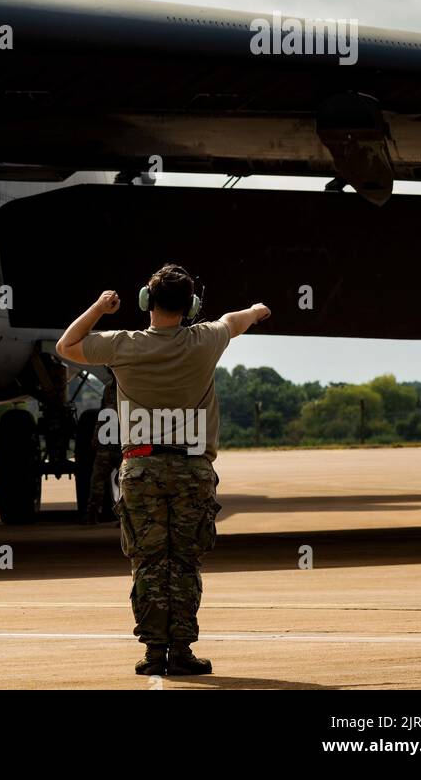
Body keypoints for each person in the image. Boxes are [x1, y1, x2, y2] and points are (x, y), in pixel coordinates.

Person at [55, 264, 270, 676]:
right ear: (190, 306)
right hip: (193, 468)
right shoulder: (205, 340)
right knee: (185, 561)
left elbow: (68, 345)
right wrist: (259, 309)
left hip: (141, 468)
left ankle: (154, 650)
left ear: (145, 302)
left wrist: (100, 307)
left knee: (148, 561)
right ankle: (183, 649)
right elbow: (236, 321)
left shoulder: (123, 345)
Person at [83, 368, 121, 524]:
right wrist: (96, 436)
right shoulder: (109, 389)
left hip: (122, 442)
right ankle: (91, 514)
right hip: (107, 441)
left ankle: (123, 517)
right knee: (97, 480)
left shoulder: (130, 388)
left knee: (123, 482)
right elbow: (102, 412)